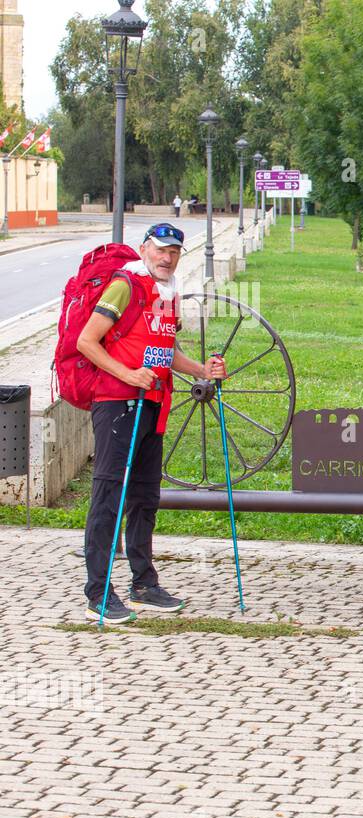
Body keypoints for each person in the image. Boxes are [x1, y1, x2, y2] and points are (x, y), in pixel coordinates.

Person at [76, 223, 226, 624]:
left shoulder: (168, 292)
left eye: (174, 251)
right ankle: (97, 593)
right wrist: (127, 374)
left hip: (154, 405)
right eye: (161, 250)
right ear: (144, 249)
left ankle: (143, 585)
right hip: (117, 404)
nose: (167, 257)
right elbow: (87, 341)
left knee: (145, 497)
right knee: (108, 496)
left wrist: (203, 370)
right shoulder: (125, 286)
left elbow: (164, 351)